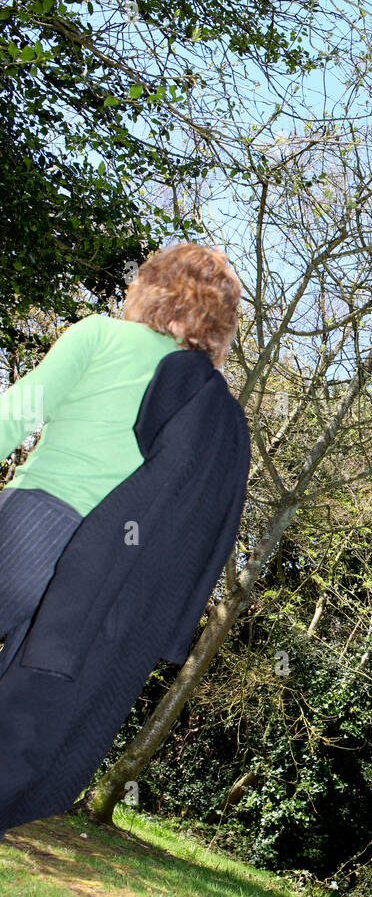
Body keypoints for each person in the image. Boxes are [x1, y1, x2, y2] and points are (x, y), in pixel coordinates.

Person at [0, 243, 242, 676]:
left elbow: (17, 413)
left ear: (152, 289)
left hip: (32, 524)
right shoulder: (199, 400)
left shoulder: (100, 335)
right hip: (97, 577)